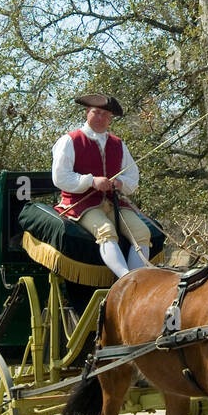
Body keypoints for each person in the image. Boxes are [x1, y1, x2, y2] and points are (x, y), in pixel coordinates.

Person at [51, 93, 152, 278]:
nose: (101, 118)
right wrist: (91, 181)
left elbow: (132, 176)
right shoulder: (70, 140)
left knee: (142, 232)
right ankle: (125, 279)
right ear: (87, 112)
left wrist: (120, 183)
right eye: (97, 113)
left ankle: (137, 280)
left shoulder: (118, 144)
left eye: (106, 115)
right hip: (80, 203)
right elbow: (60, 177)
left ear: (110, 119)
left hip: (115, 202)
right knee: (106, 231)